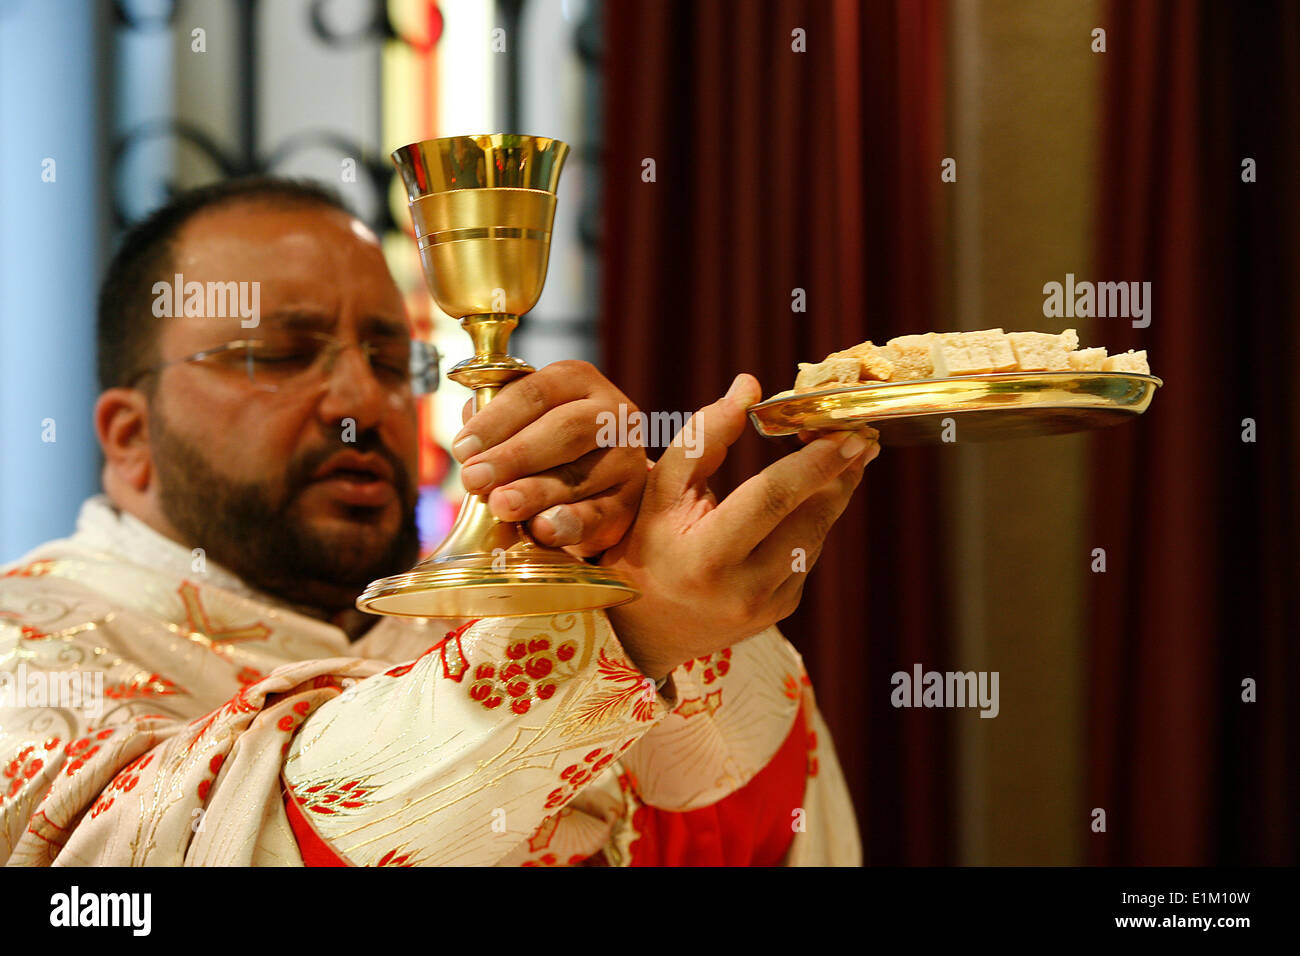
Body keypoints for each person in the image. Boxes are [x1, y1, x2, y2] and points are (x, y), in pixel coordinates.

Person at [0, 178, 879, 867]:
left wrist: (629, 575)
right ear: (130, 436)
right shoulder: (30, 653)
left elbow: (747, 819)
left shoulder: (498, 611)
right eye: (277, 354)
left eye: (390, 358)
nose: (358, 400)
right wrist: (620, 637)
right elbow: (183, 843)